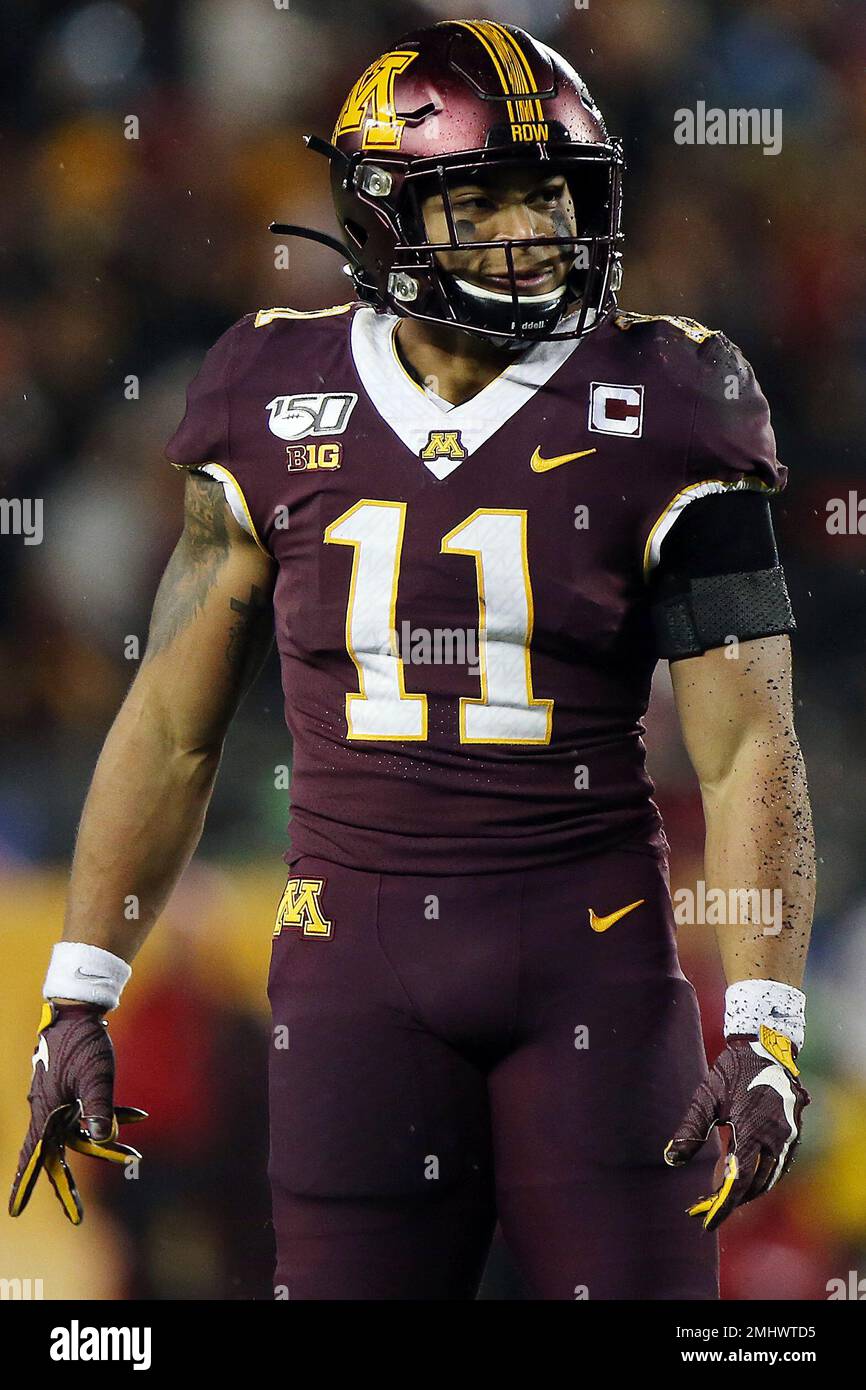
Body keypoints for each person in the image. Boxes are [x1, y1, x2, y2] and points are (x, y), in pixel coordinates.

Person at [10, 19, 814, 1300]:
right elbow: (170, 721)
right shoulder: (267, 389)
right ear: (385, 218)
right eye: (485, 194)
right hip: (348, 979)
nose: (534, 223)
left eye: (551, 187)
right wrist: (79, 992)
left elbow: (747, 742)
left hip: (592, 960)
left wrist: (767, 1024)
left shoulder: (671, 393)